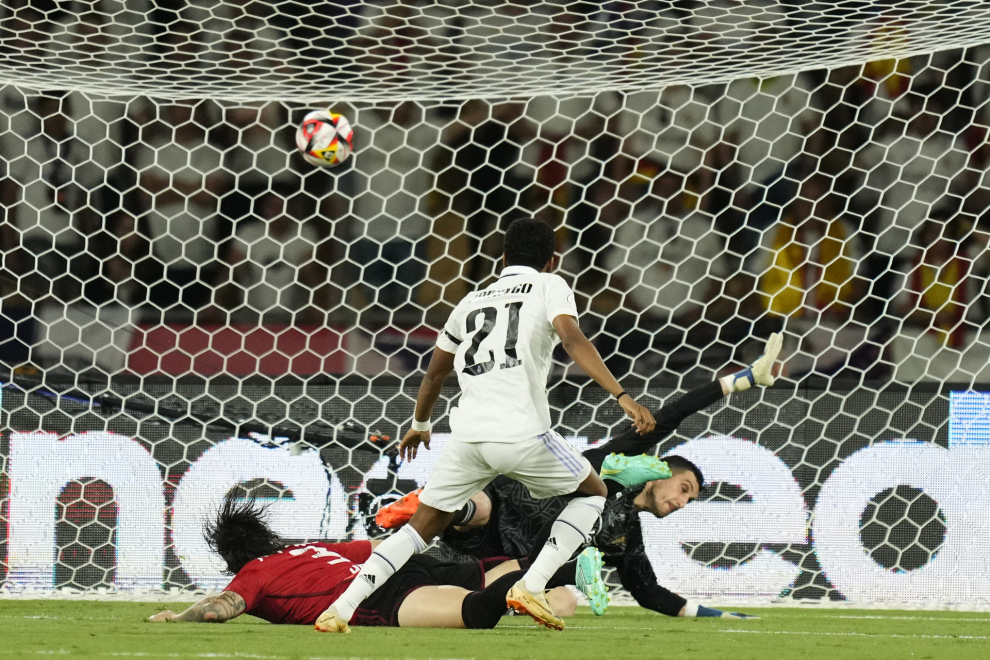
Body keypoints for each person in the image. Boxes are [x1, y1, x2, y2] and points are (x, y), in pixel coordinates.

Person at [317, 218, 660, 633]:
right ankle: (531, 585)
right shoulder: (550, 284)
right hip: (521, 433)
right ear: (553, 259)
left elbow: (434, 373)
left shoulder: (471, 302)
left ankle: (341, 608)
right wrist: (623, 396)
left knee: (421, 529)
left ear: (502, 257)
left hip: (466, 438)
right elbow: (571, 340)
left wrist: (420, 423)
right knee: (595, 494)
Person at [377, 334, 783, 619]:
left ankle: (490, 597)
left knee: (567, 602)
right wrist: (739, 381)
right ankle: (438, 507)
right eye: (684, 489)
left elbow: (648, 592)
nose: (680, 502)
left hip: (500, 562)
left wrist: (718, 614)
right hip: (492, 512)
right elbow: (669, 417)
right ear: (661, 471)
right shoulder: (611, 464)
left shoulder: (623, 534)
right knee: (483, 504)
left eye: (688, 502)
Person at [148, 496, 585, 630]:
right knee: (492, 573)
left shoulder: (253, 575)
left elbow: (217, 608)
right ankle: (573, 566)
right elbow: (375, 548)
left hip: (381, 596)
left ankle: (544, 583)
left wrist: (177, 616)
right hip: (405, 566)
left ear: (232, 559)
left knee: (473, 613)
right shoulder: (307, 549)